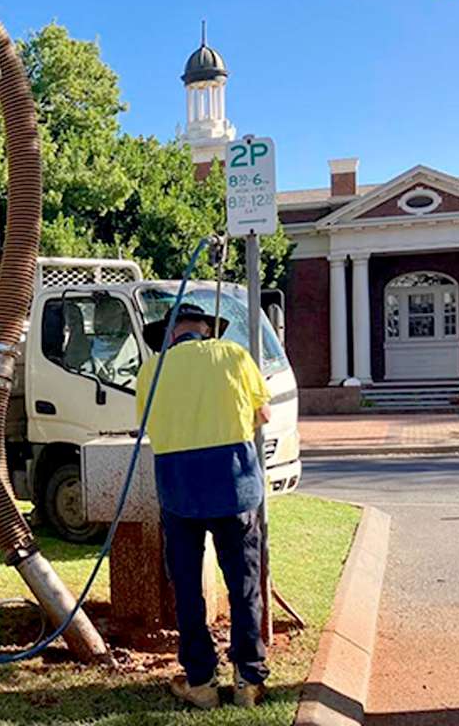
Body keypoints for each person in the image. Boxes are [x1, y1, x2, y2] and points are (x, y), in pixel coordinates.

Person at [134, 302, 272, 710]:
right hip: (235, 487)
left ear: (170, 334)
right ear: (207, 330)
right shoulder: (233, 356)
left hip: (180, 492)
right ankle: (249, 680)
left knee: (188, 590)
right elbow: (262, 413)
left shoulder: (152, 370)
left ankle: (202, 683)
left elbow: (145, 426)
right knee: (244, 585)